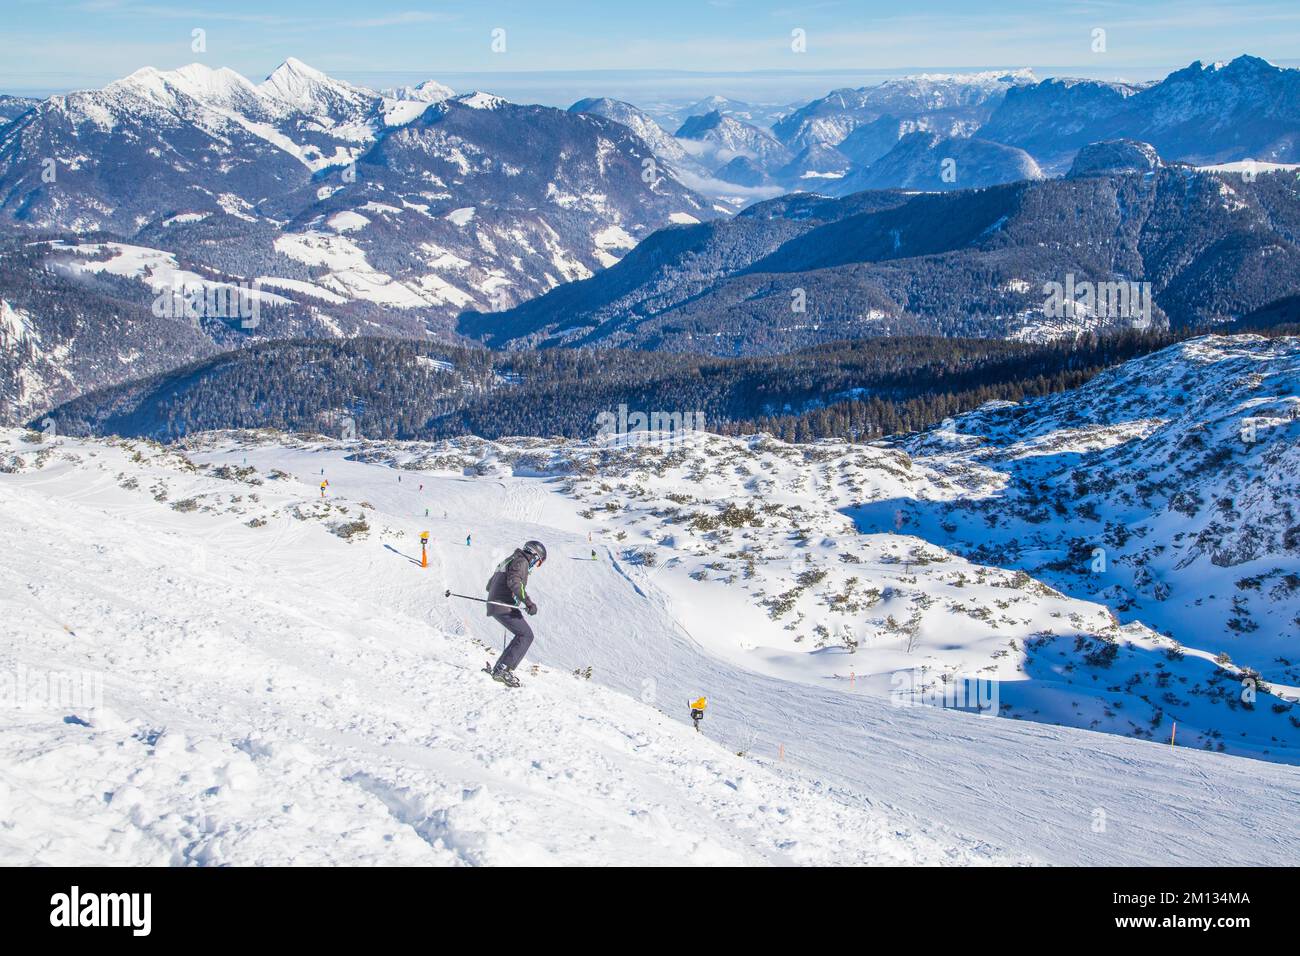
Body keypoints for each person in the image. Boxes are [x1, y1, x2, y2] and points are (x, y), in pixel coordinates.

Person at [485, 540, 546, 687]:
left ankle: (500, 668)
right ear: (535, 555)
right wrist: (528, 603)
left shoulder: (510, 559)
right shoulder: (521, 562)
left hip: (498, 604)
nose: (536, 566)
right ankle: (503, 669)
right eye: (538, 563)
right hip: (503, 605)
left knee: (522, 634)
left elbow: (489, 585)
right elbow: (514, 582)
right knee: (526, 635)